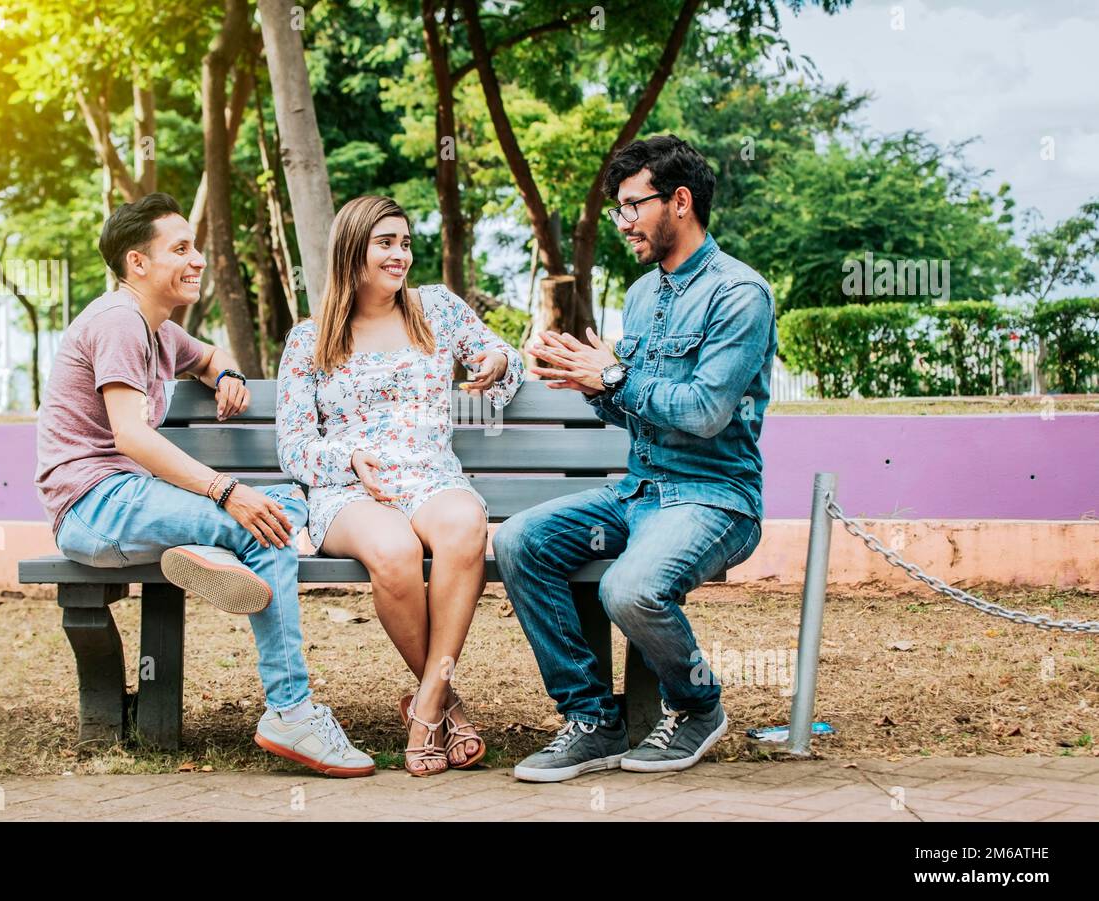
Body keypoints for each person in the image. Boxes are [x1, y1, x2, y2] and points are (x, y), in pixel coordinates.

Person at [35, 192, 373, 778]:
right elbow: (132, 437)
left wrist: (228, 373)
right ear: (137, 264)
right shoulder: (118, 321)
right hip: (94, 504)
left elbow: (207, 355)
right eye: (181, 249)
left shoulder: (158, 330)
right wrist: (225, 492)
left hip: (127, 502)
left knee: (277, 507)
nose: (197, 261)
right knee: (268, 525)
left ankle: (208, 549)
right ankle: (291, 711)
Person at [493, 135, 777, 782]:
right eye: (617, 209)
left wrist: (615, 378)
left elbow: (705, 411)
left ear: (679, 202)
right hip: (641, 491)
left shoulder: (741, 295)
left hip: (714, 497)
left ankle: (697, 705)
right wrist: (590, 382)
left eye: (632, 206)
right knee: (519, 541)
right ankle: (593, 719)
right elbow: (635, 405)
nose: (622, 223)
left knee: (630, 587)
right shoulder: (644, 293)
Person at [277, 195, 524, 776]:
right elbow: (293, 446)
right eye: (385, 242)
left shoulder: (435, 308)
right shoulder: (309, 340)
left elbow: (499, 355)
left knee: (466, 527)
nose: (401, 255)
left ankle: (427, 706)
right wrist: (346, 457)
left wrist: (492, 360)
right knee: (395, 550)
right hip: (351, 489)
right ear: (352, 250)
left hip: (432, 475)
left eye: (406, 242)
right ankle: (448, 706)